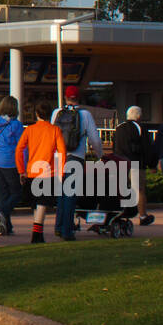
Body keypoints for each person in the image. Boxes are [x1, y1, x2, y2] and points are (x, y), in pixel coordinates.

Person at [51, 85, 103, 239]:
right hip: (76, 157)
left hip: (58, 157)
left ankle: (59, 226)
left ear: (65, 97)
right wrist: (100, 155)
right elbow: (94, 139)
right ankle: (68, 231)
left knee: (60, 193)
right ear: (78, 97)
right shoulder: (85, 114)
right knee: (70, 194)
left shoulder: (56, 113)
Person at [15, 99, 66, 243]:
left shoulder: (29, 130)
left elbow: (19, 149)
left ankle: (38, 232)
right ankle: (37, 233)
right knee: (42, 203)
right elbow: (62, 152)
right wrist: (61, 173)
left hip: (32, 171)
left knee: (36, 204)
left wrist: (21, 170)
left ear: (36, 114)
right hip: (48, 172)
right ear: (50, 114)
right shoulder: (55, 130)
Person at [0, 96, 24, 235]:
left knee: (3, 193)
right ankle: (2, 212)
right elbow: (22, 147)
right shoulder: (17, 126)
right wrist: (23, 167)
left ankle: (5, 226)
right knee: (16, 193)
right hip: (10, 162)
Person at [112, 105, 154, 226]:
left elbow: (114, 146)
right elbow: (147, 148)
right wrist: (151, 164)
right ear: (139, 116)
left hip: (120, 163)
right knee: (139, 190)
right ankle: (142, 215)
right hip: (136, 164)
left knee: (122, 190)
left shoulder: (118, 128)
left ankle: (121, 214)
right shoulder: (140, 128)